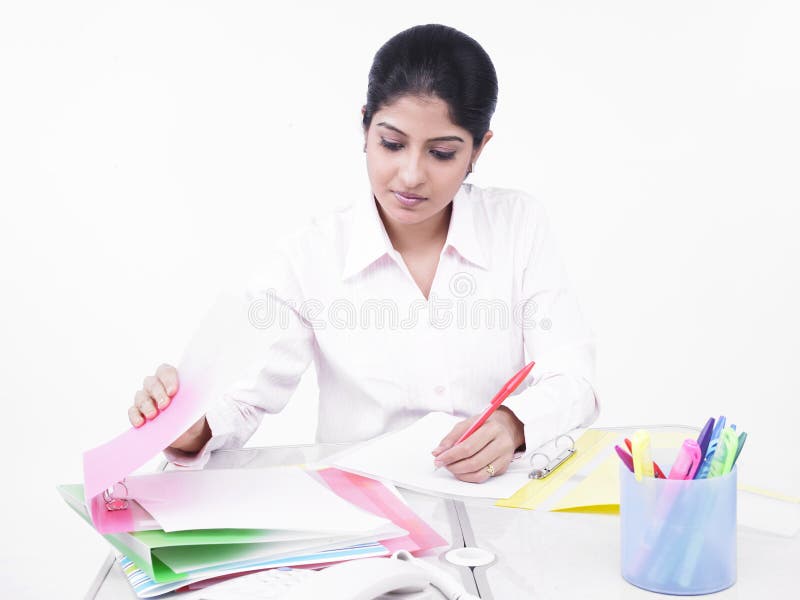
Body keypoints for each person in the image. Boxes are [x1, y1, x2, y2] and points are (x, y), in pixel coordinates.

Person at [127, 24, 599, 484]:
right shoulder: (312, 253)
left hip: (495, 500)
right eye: (391, 144)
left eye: (442, 154)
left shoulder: (517, 225)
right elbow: (244, 398)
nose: (411, 175)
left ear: (478, 150)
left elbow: (573, 378)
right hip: (364, 517)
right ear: (365, 127)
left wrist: (514, 424)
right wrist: (191, 430)